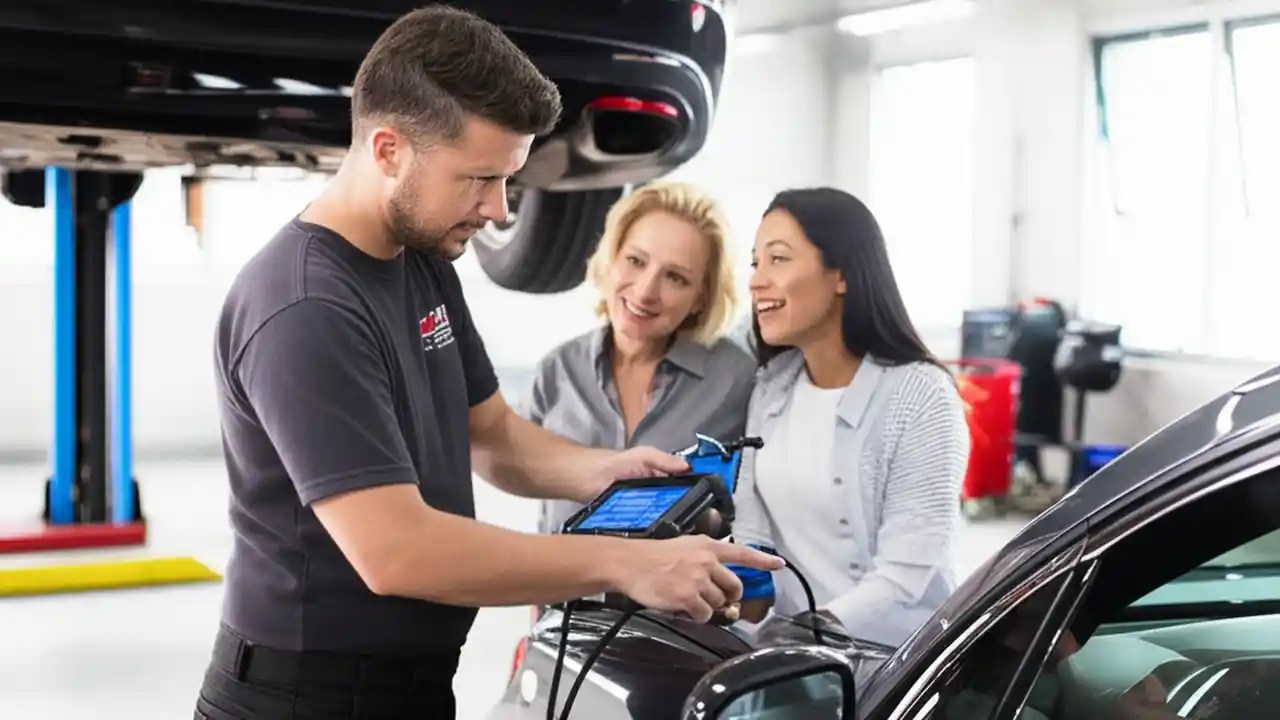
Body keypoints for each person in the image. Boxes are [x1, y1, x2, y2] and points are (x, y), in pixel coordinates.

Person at [194, 7, 781, 719]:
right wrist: (630, 563)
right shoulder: (306, 307)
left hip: (409, 683)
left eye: (508, 179)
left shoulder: (421, 257)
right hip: (303, 697)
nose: (500, 210)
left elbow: (492, 434)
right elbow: (398, 552)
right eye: (478, 178)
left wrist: (606, 467)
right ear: (388, 150)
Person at [732, 187, 969, 648]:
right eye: (755, 263)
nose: (757, 280)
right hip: (794, 657)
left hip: (900, 662)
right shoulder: (772, 386)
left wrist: (803, 633)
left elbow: (906, 573)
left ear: (841, 274)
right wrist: (737, 626)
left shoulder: (919, 395)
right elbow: (752, 535)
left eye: (778, 260)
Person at [523, 181, 756, 534]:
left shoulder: (737, 379)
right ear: (611, 259)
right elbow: (519, 471)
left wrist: (703, 518)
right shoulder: (557, 370)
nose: (646, 292)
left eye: (675, 278)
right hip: (558, 587)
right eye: (635, 261)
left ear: (700, 298)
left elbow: (751, 515)